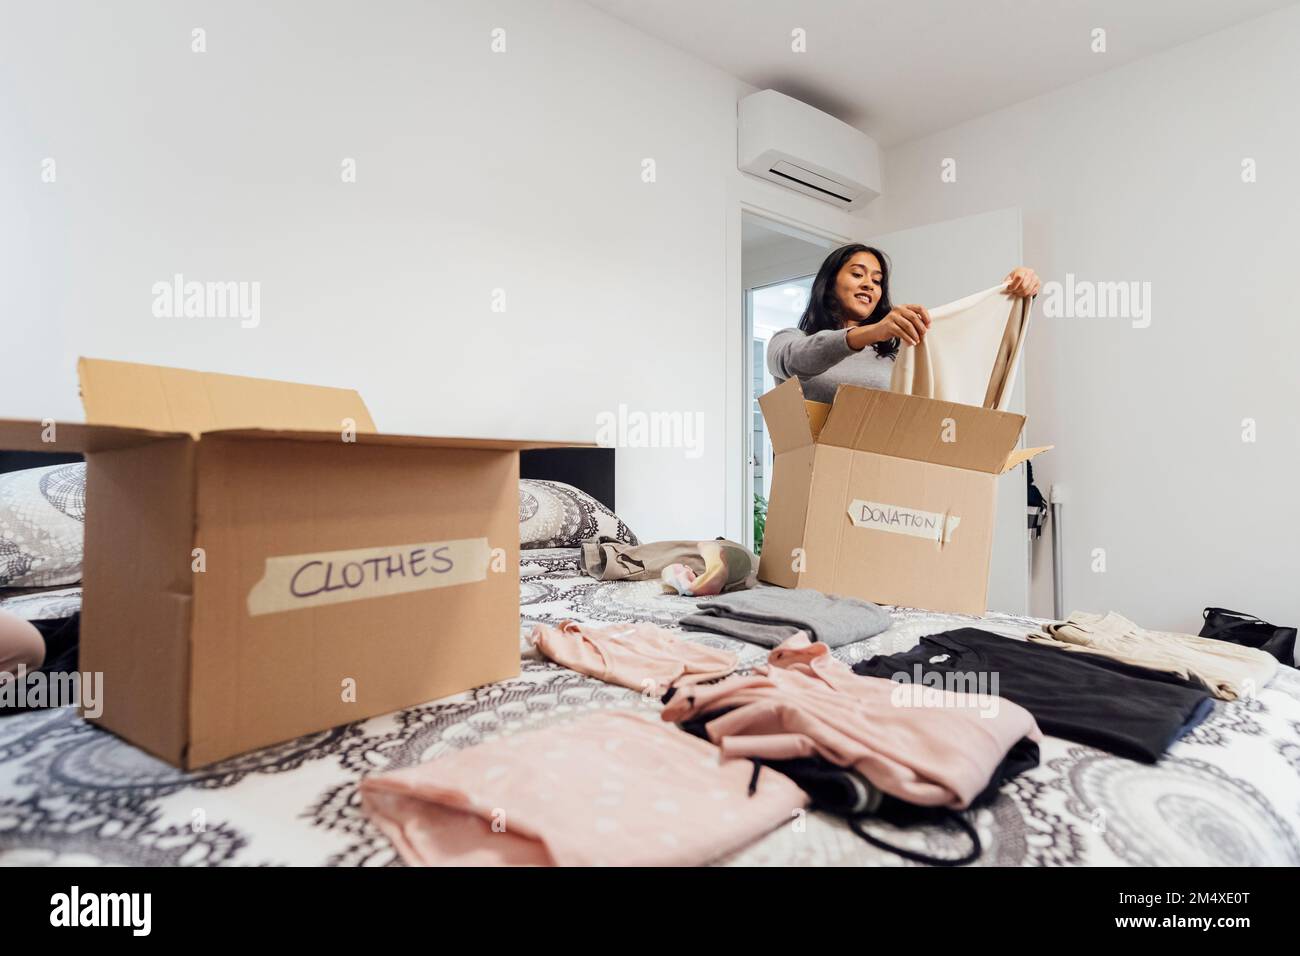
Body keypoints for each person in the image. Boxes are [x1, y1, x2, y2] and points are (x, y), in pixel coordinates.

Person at [767, 244, 1039, 404]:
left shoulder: (895, 352)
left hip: (881, 487)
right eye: (857, 274)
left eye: (877, 281)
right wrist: (872, 331)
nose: (869, 284)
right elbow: (795, 361)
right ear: (829, 283)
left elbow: (968, 361)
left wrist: (1012, 297)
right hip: (815, 484)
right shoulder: (790, 340)